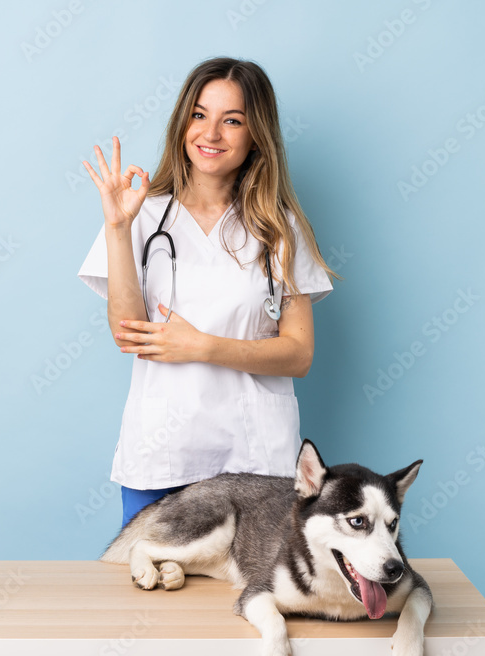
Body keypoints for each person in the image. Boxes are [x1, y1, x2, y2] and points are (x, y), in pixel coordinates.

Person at [77, 57, 337, 528]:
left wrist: (202, 346)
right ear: (182, 124)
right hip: (163, 454)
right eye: (199, 115)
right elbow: (128, 335)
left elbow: (298, 355)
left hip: (256, 459)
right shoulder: (141, 215)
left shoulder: (280, 228)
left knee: (250, 594)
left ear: (256, 134)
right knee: (152, 591)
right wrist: (118, 228)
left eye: (232, 120)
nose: (211, 133)